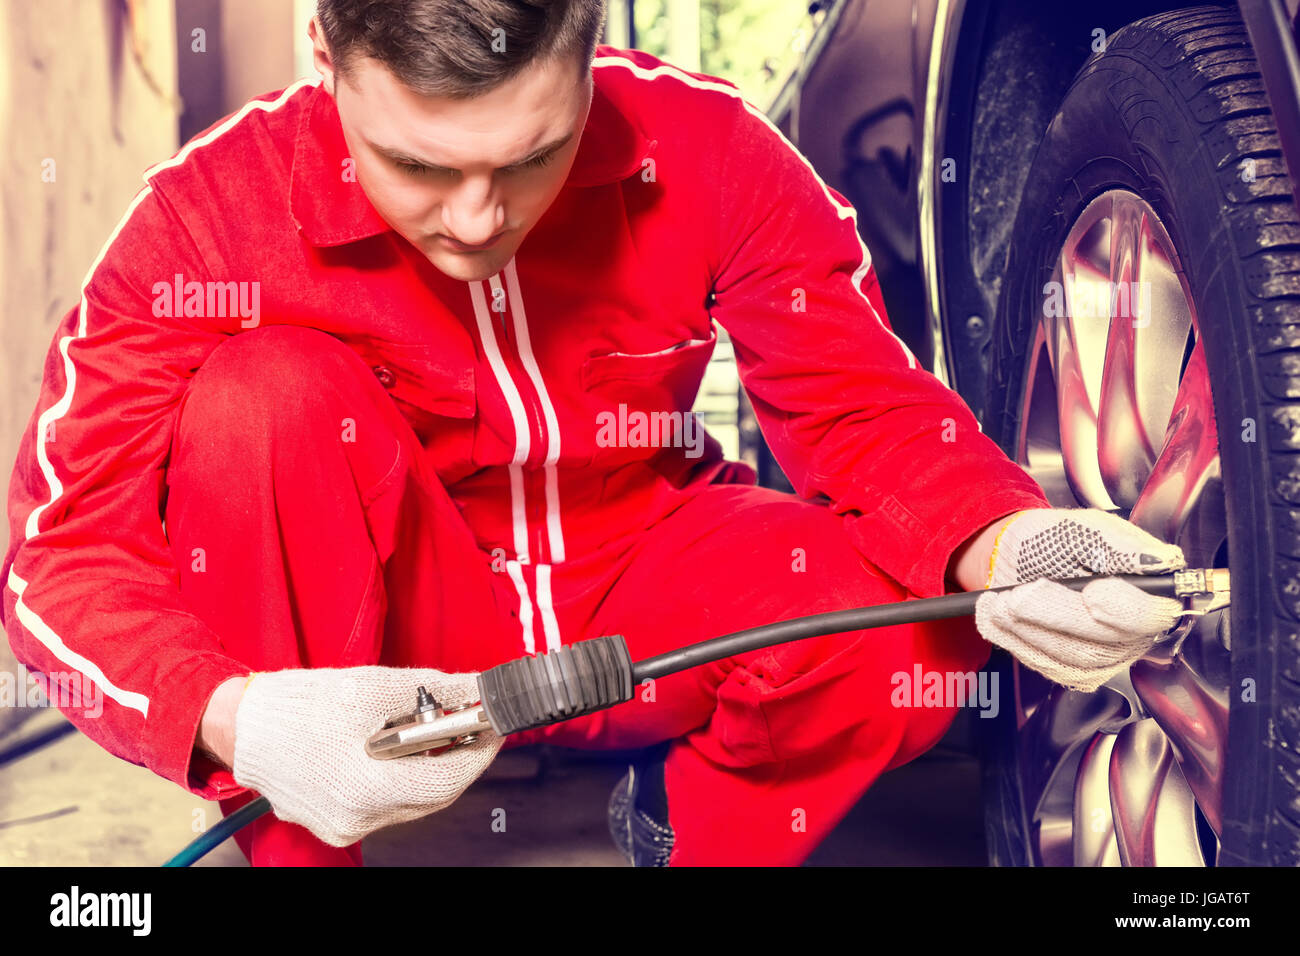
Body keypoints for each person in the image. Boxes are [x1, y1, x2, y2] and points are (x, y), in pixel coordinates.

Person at [0, 0, 1186, 867]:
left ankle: (692, 826)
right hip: (410, 629)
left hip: (641, 587)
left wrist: (1009, 540)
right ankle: (307, 855)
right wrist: (237, 717)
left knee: (918, 637)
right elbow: (58, 552)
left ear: (587, 48)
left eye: (534, 157)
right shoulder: (208, 220)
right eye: (416, 164)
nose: (477, 218)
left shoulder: (708, 150)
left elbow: (859, 408)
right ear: (325, 53)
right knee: (258, 397)